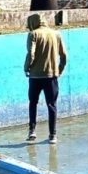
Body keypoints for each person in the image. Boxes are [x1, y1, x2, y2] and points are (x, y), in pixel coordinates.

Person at [24, 13, 67, 145]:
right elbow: (64, 55)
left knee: (33, 103)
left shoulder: (33, 34)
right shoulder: (56, 34)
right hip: (51, 76)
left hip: (35, 76)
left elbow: (31, 54)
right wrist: (59, 69)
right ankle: (52, 135)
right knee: (52, 105)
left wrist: (27, 67)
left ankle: (32, 131)